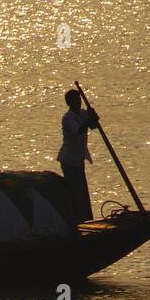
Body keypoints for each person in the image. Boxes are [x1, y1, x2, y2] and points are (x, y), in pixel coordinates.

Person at [57, 88, 99, 222]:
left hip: (79, 160)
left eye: (80, 99)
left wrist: (94, 116)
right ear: (69, 103)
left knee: (82, 192)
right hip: (69, 160)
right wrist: (88, 120)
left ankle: (85, 219)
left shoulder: (82, 114)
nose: (79, 102)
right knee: (75, 192)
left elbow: (94, 126)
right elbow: (78, 130)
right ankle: (76, 221)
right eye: (76, 100)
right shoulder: (67, 118)